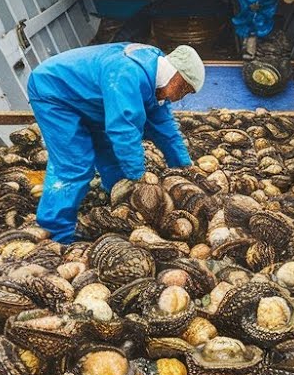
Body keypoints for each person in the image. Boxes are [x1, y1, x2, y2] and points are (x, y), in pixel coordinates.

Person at [28, 42, 205, 244]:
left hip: (89, 97)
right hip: (55, 93)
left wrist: (185, 168)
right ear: (177, 77)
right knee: (74, 164)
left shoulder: (156, 79)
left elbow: (166, 130)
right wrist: (138, 180)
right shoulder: (129, 74)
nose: (181, 97)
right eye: (185, 90)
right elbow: (123, 130)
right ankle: (55, 233)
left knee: (111, 155)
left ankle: (120, 203)